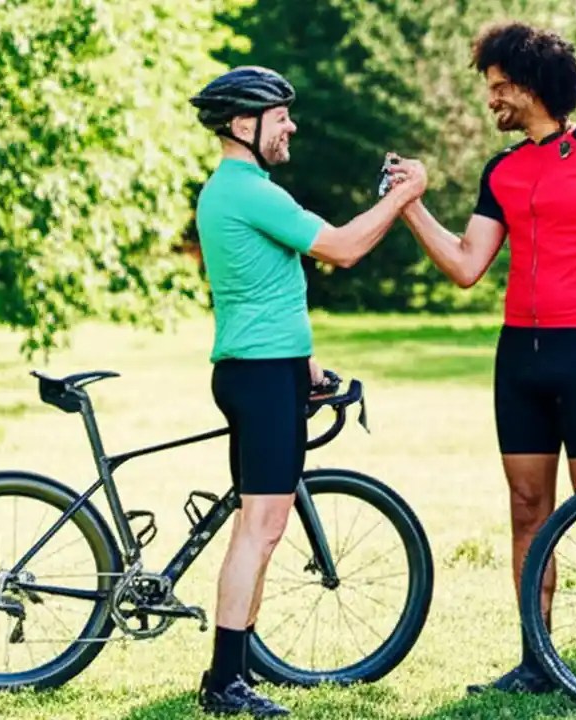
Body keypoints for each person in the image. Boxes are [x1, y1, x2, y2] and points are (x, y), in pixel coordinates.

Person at [392, 22, 576, 699]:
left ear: (533, 85)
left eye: (501, 87)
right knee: (526, 508)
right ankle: (536, 661)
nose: (492, 100)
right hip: (519, 361)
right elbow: (466, 266)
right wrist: (410, 204)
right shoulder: (502, 171)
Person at [188, 65, 426, 717]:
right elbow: (343, 248)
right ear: (244, 124)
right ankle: (224, 682)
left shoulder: (239, 190)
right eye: (281, 117)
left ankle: (234, 672)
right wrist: (405, 197)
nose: (291, 126)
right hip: (261, 376)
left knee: (259, 526)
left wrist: (307, 366)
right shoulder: (248, 192)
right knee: (261, 528)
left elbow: (263, 291)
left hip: (268, 369)